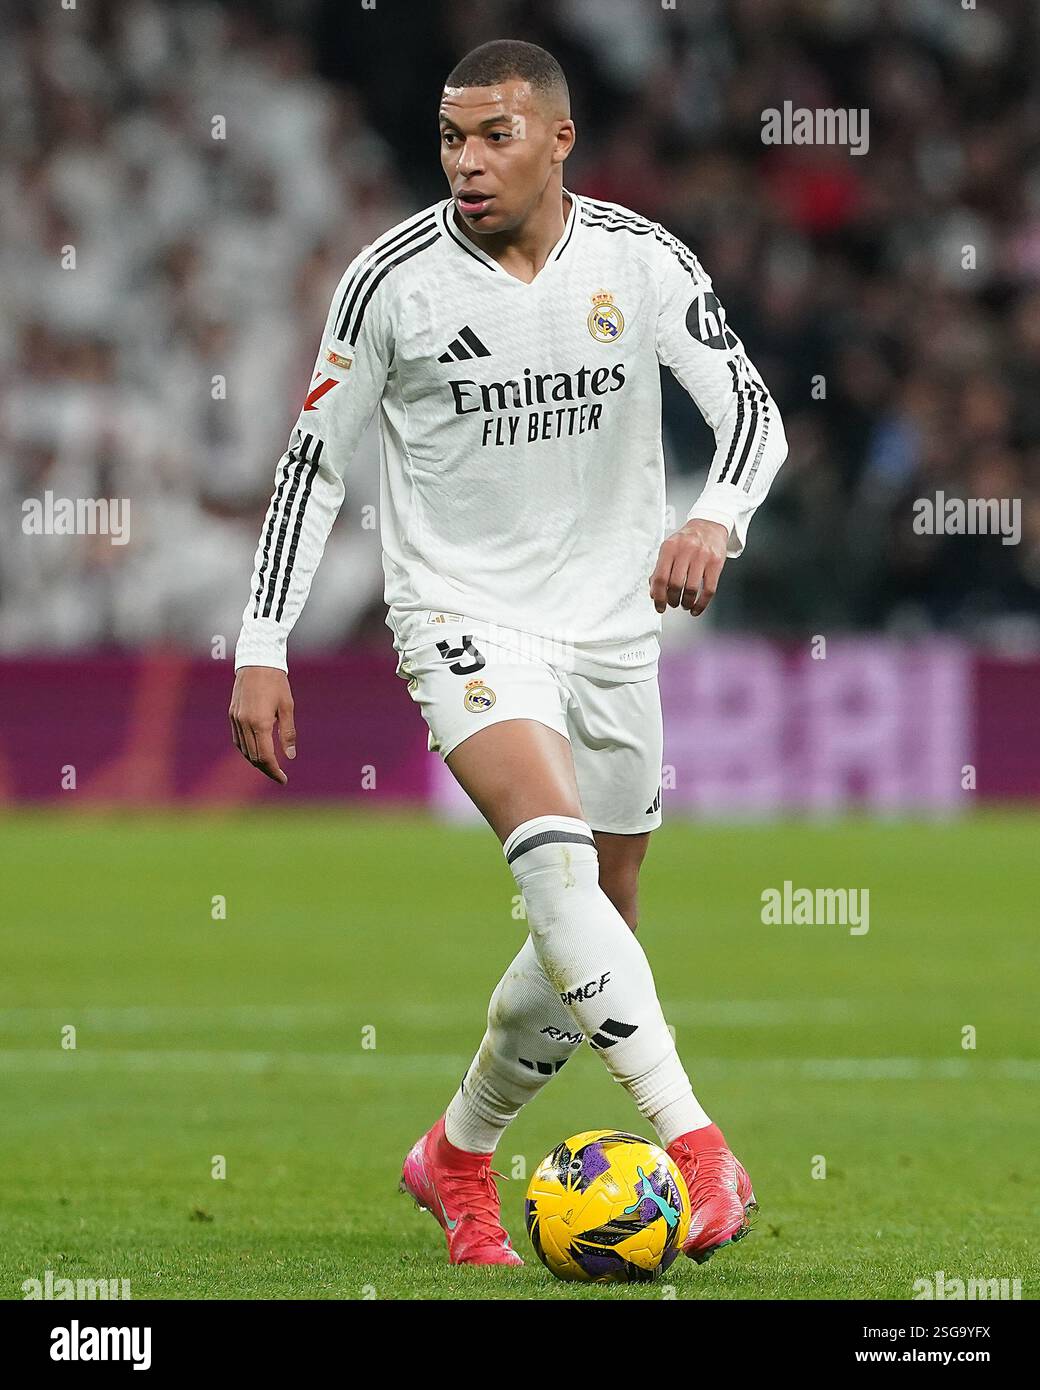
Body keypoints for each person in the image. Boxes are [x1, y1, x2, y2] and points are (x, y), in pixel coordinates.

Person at [229, 39, 788, 1269]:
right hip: (462, 618)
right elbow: (314, 463)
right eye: (448, 138)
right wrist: (260, 643)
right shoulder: (391, 282)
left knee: (600, 910)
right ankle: (695, 1144)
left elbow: (751, 410)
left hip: (611, 627)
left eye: (492, 136)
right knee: (552, 857)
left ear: (556, 140)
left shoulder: (640, 264)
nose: (466, 163)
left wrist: (713, 516)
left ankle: (457, 1154)